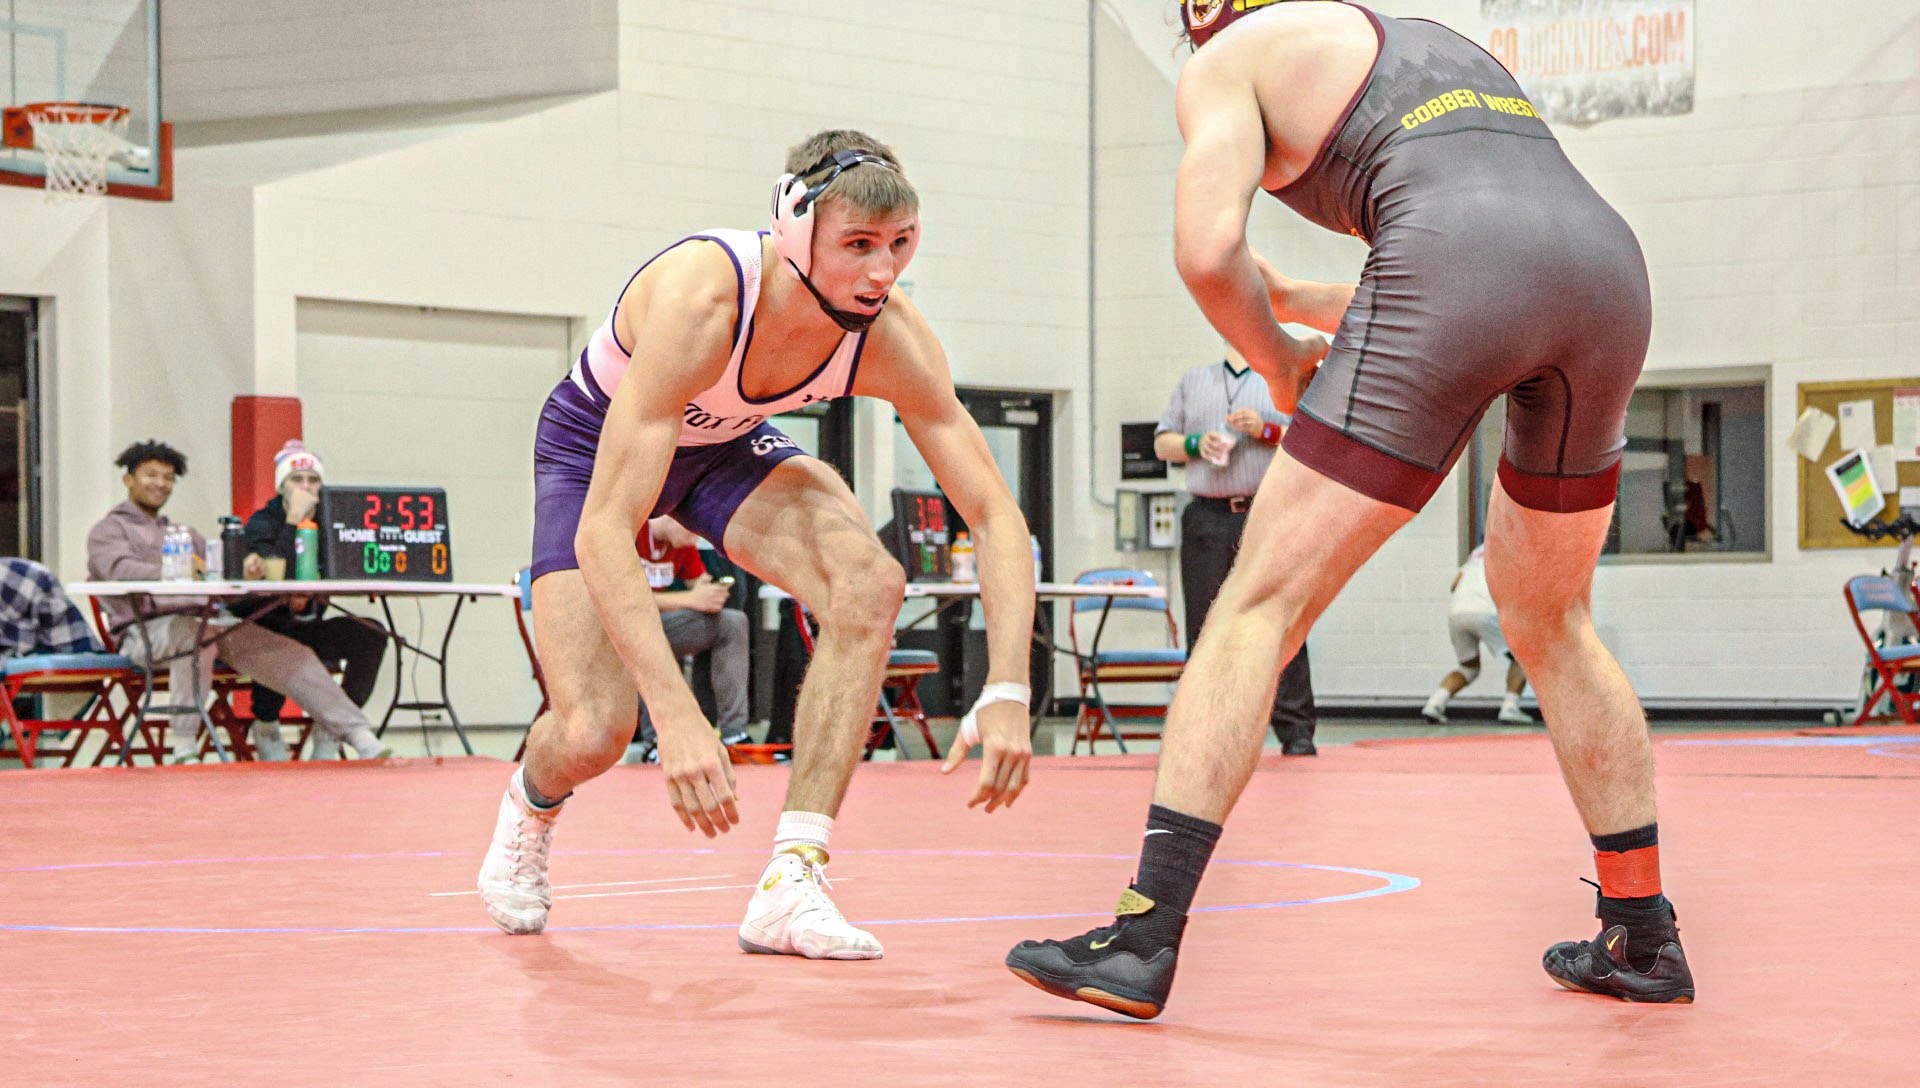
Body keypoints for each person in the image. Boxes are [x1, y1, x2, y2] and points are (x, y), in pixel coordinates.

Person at [1007, 2, 1690, 1016]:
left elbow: (1208, 254)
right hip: (1605, 272)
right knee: (1552, 618)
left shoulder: (1227, 60)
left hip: (1457, 262)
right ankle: (1644, 934)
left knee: (1257, 605)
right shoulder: (1423, 39)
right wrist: (1297, 298)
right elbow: (1484, 232)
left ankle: (1141, 938)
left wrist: (1279, 356)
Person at [479, 130, 1036, 959]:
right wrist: (677, 718)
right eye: (858, 246)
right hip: (593, 446)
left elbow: (994, 514)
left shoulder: (891, 336)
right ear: (797, 229)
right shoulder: (705, 300)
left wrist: (1008, 686)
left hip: (724, 445)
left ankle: (793, 876)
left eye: (899, 245)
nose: (881, 272)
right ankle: (530, 800)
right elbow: (606, 529)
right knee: (597, 728)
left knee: (869, 583)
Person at [85, 440, 393, 764]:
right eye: (151, 475)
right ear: (128, 479)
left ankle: (360, 735)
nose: (160, 484)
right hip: (145, 633)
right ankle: (185, 746)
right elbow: (119, 571)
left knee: (287, 650)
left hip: (207, 622)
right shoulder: (107, 531)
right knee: (196, 635)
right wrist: (181, 570)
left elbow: (217, 575)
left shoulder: (184, 533)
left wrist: (246, 570)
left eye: (168, 477)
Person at [1156, 341, 1316, 755]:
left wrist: (1263, 430)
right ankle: (1205, 729)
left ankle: (1296, 730)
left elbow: (1309, 439)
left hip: (1265, 511)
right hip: (1207, 515)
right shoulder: (1194, 380)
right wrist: (1195, 445)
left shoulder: (1283, 380)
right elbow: (1162, 443)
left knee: (1280, 617)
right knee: (1206, 624)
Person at [240, 440, 390, 760]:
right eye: (297, 480)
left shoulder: (332, 519)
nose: (306, 487)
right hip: (268, 623)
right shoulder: (261, 523)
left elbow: (355, 557)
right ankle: (265, 724)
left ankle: (329, 729)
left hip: (311, 623)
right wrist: (293, 522)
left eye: (313, 480)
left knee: (372, 634)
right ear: (282, 486)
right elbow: (274, 573)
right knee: (280, 639)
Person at [627, 515, 752, 762]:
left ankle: (734, 735)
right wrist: (690, 600)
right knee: (645, 630)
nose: (696, 537)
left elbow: (698, 584)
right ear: (670, 514)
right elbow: (623, 599)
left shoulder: (682, 543)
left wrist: (710, 593)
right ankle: (657, 742)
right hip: (622, 628)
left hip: (662, 625)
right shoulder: (633, 532)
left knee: (733, 623)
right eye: (693, 530)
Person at [1422, 544, 1533, 725]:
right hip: (1486, 611)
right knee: (1521, 658)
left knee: (1468, 668)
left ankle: (1434, 704)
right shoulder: (1515, 548)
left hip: (1457, 613)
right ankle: (1510, 707)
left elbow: (1454, 585)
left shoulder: (1476, 553)